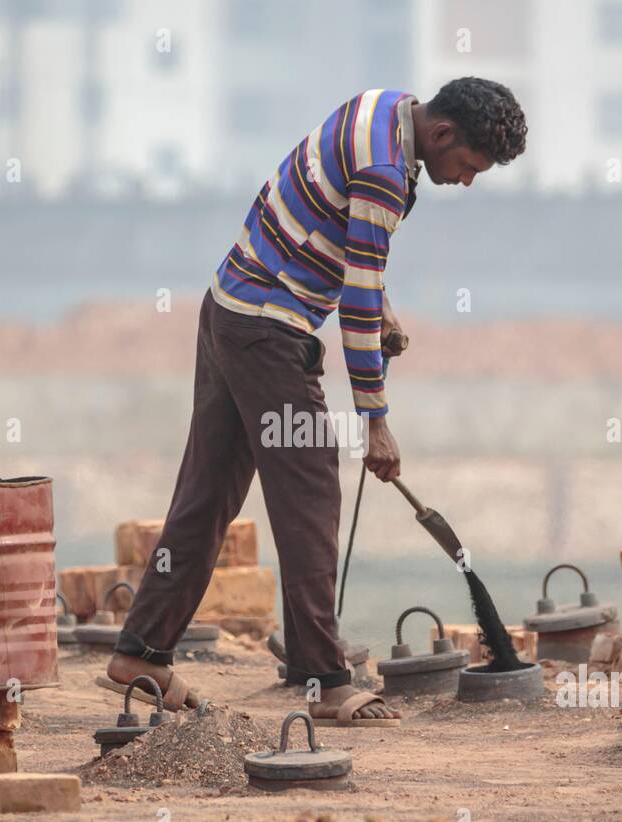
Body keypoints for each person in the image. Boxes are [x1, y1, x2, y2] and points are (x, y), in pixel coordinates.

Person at [104, 78, 527, 723]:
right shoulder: (389, 173)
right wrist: (375, 423)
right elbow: (354, 304)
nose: (465, 181)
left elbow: (353, 251)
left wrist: (381, 307)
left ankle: (141, 653)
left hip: (228, 308)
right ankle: (324, 679)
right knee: (310, 493)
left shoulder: (383, 108)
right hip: (270, 330)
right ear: (442, 135)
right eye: (467, 167)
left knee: (208, 492)